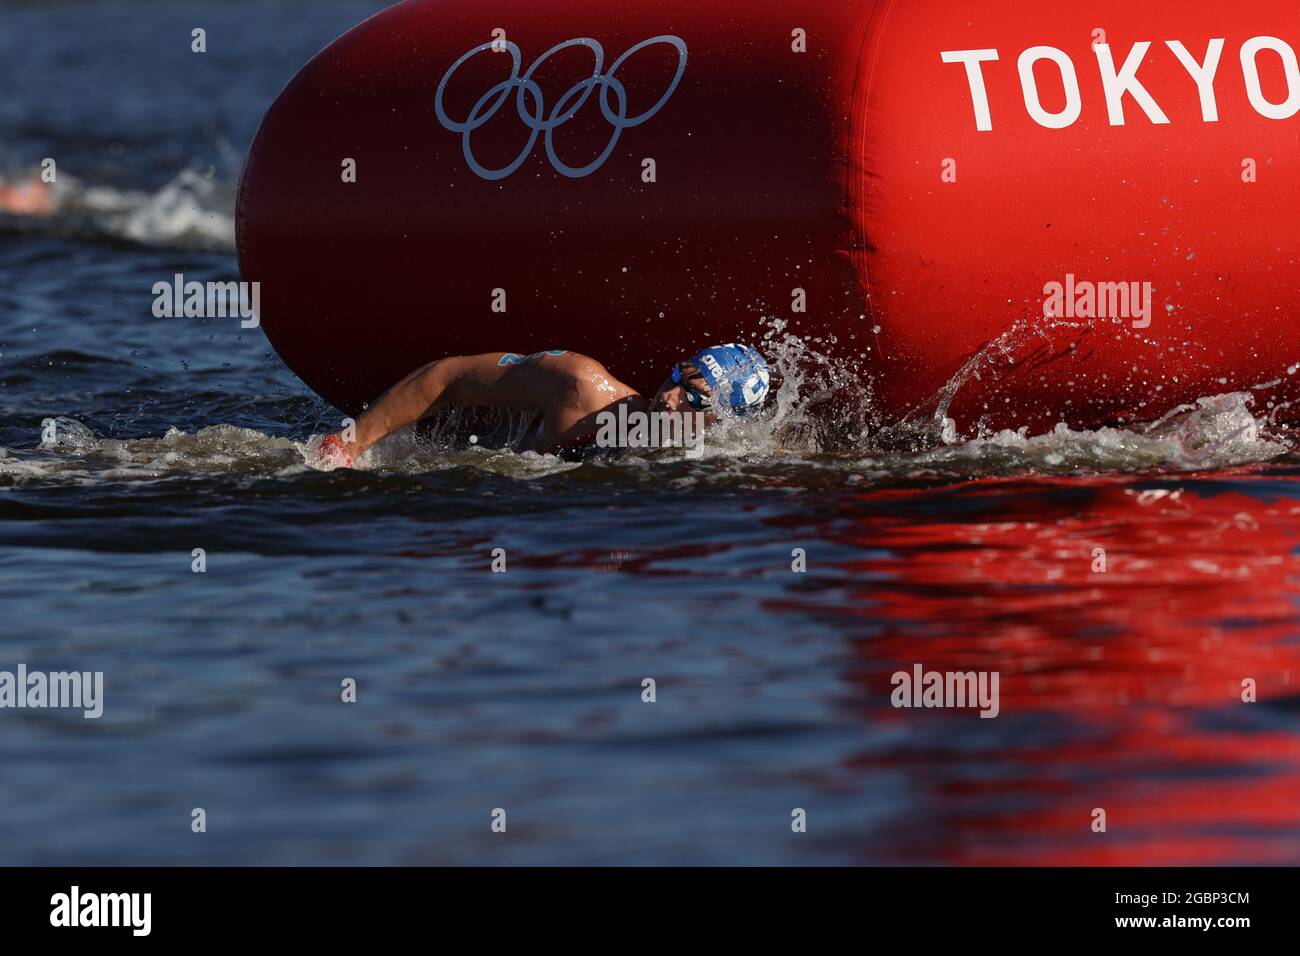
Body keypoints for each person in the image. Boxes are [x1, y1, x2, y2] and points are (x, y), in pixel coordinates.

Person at [315, 343, 772, 466]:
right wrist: (347, 445)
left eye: (694, 399)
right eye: (678, 377)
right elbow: (446, 376)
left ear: (720, 421)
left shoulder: (719, 460)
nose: (670, 398)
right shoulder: (582, 388)